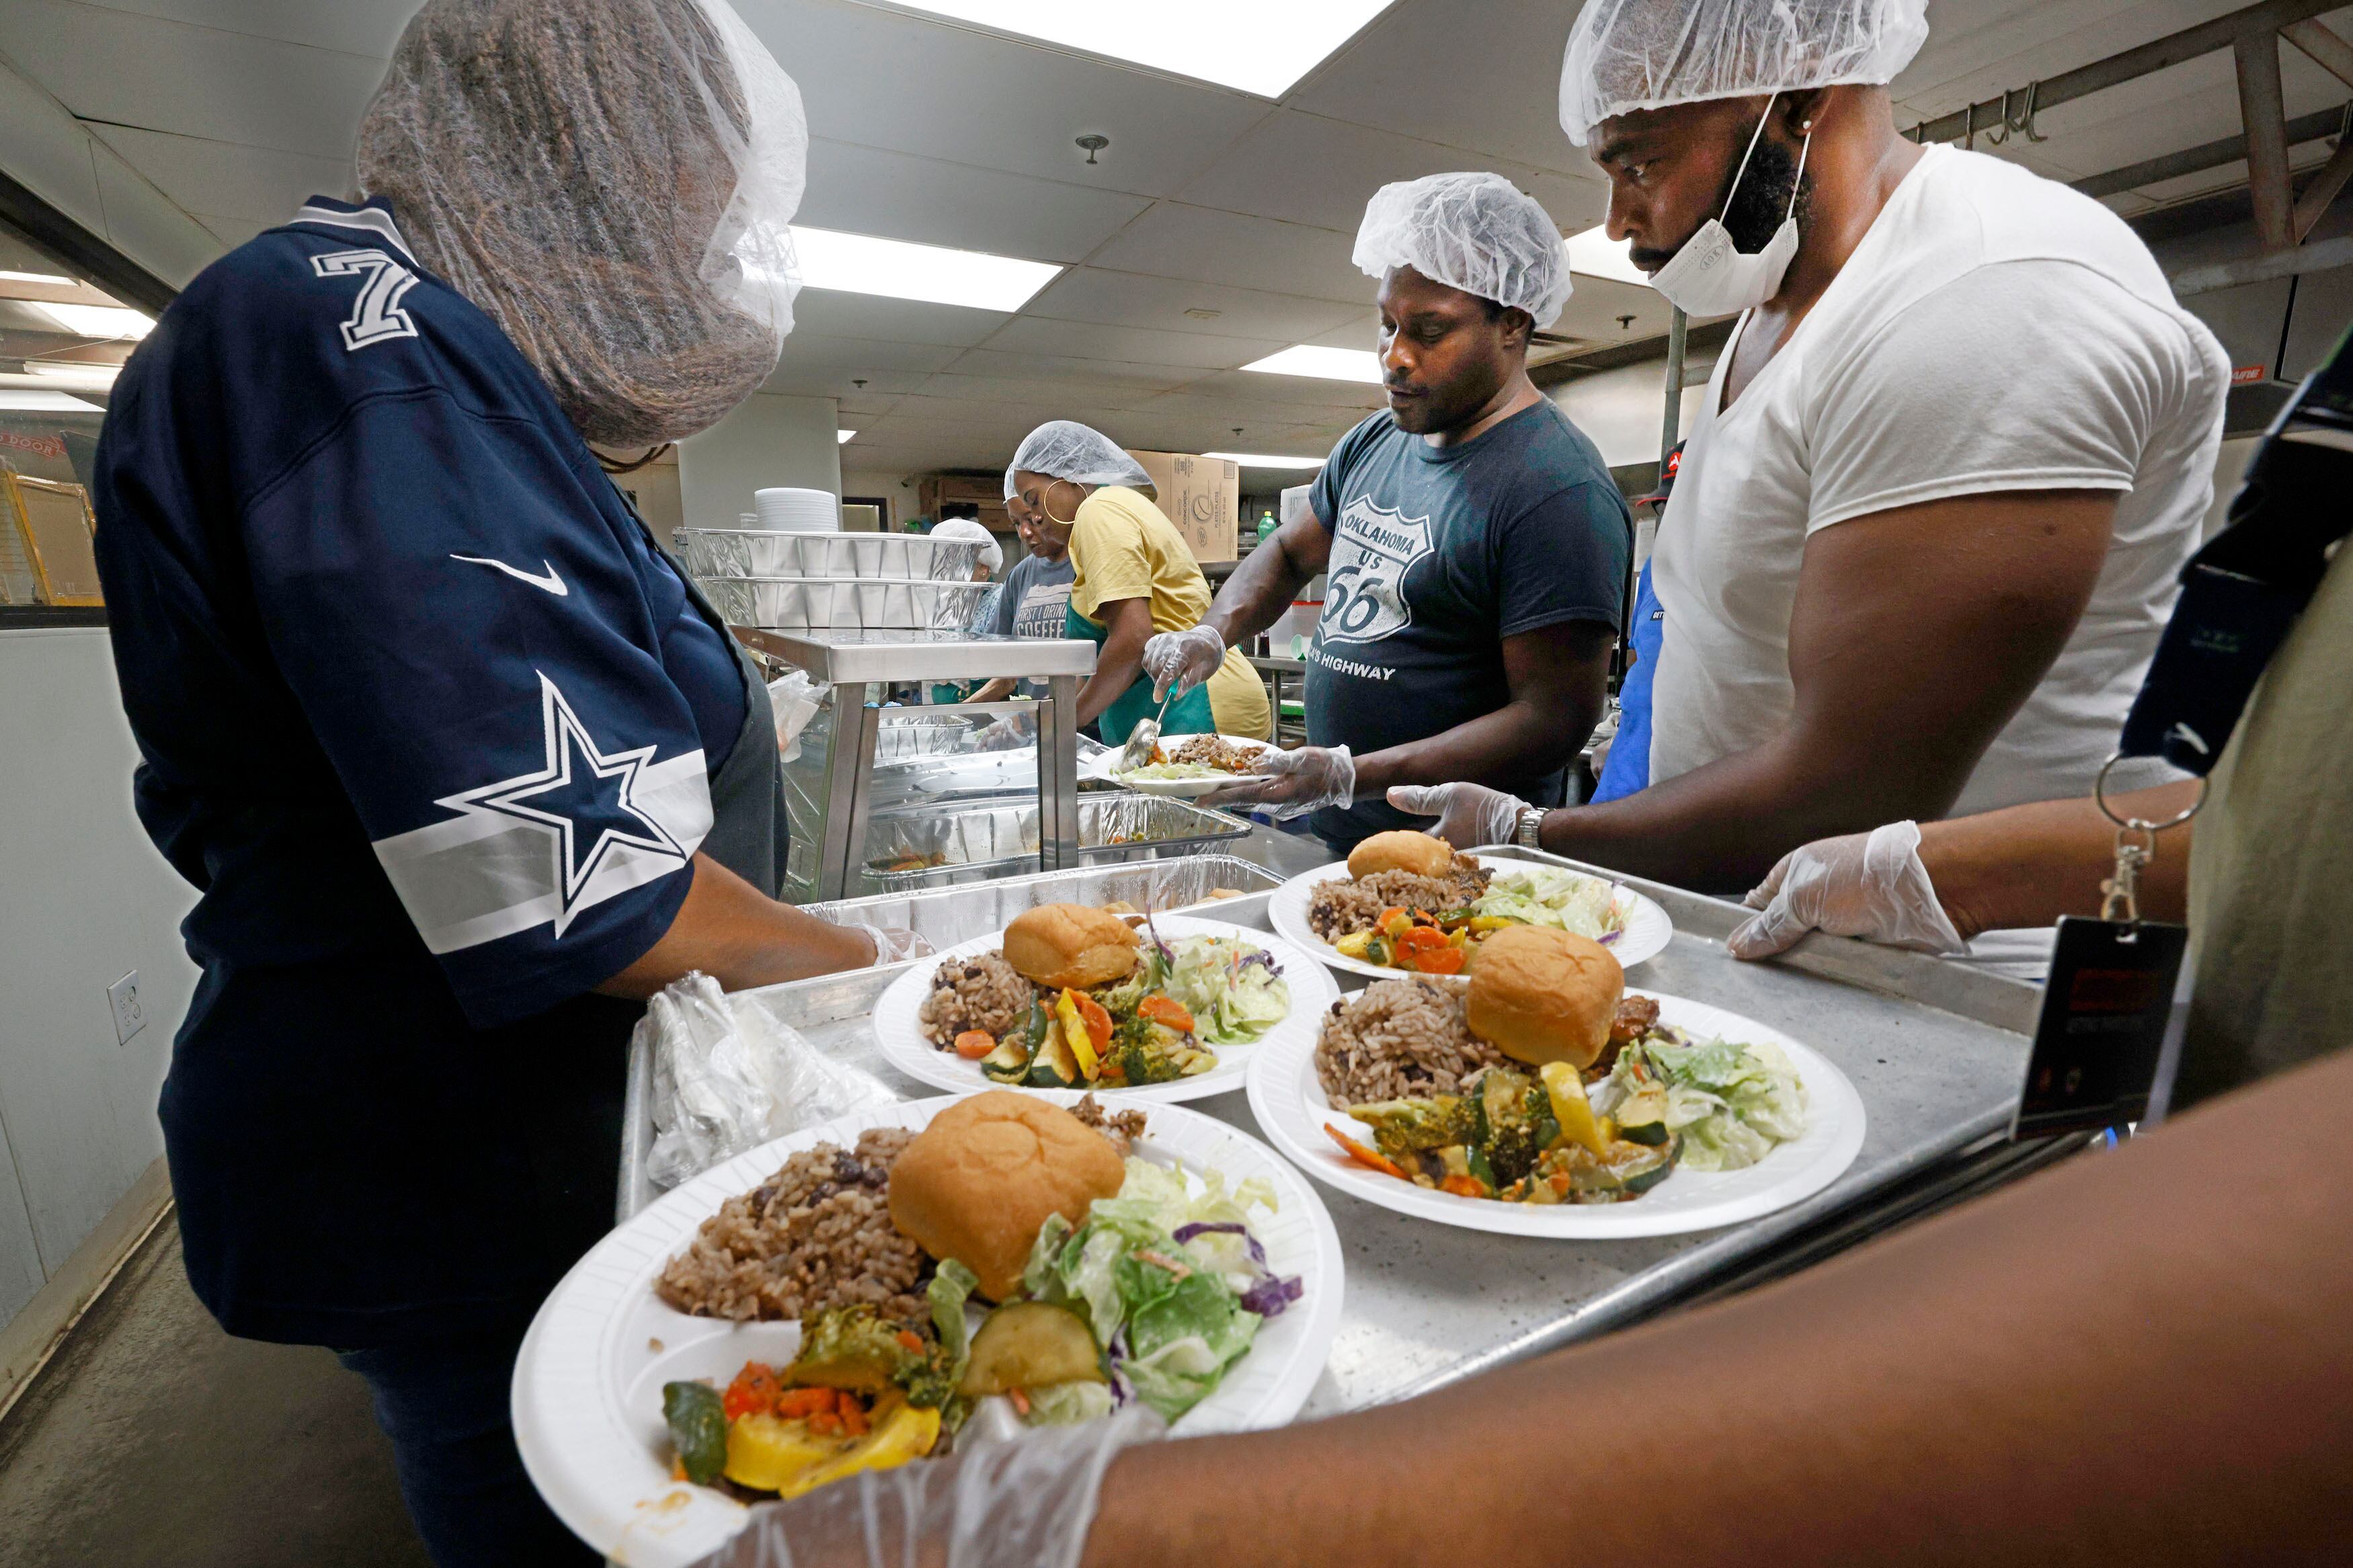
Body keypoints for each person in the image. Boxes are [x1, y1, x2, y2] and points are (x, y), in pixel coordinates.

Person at [690, 352, 2353, 1568]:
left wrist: (1195, 1530)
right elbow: (2287, 809)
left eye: (1642, 153)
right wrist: (1984, 863)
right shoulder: (1390, 440)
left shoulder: (1556, 473)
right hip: (2194, 1047)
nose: (1400, 351)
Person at [88, 3, 916, 1563]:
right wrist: (899, 978)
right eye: (697, 197)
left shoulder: (439, 366)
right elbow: (579, 882)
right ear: (587, 147)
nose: (708, 246)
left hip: (506, 1144)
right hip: (455, 1159)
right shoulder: (354, 341)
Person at [1397, 0, 2229, 900]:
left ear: (1798, 101)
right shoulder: (1780, 303)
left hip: (1939, 981)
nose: (1619, 219)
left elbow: (1853, 788)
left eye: (1640, 162)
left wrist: (1538, 837)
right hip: (1761, 913)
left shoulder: (1982, 299)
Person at [1144, 172, 1632, 854]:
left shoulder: (1555, 490)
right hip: (1339, 833)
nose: (1393, 357)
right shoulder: (1374, 442)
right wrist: (1211, 631)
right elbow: (1287, 553)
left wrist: (1353, 774)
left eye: (1429, 330)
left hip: (1453, 856)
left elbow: (1550, 720)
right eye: (1387, 324)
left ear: (1513, 325)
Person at [1002, 421, 1271, 745]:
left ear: (1071, 476)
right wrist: (1036, 720)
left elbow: (1132, 638)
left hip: (1196, 707)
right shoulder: (1110, 512)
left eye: (1034, 500)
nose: (1035, 518)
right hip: (1183, 707)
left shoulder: (1099, 512)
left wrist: (1061, 724)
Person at [965, 503, 1078, 704]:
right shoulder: (1020, 576)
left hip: (1088, 721)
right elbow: (1006, 673)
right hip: (1037, 723)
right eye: (1016, 523)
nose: (1024, 532)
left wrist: (1055, 714)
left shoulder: (1085, 566)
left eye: (1034, 519)